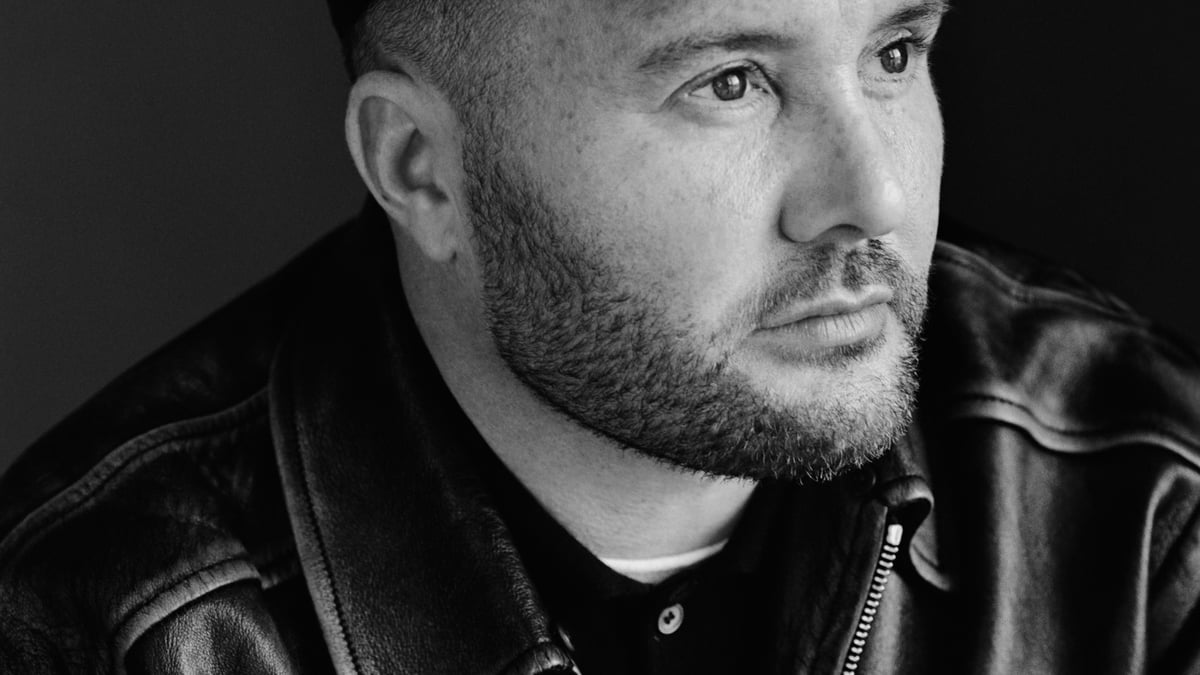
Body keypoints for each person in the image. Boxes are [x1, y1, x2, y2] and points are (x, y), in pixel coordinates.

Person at [1, 0, 1197, 672]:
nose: (875, 197)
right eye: (731, 82)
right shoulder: (115, 628)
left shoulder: (1143, 484)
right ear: (421, 170)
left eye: (894, 54)